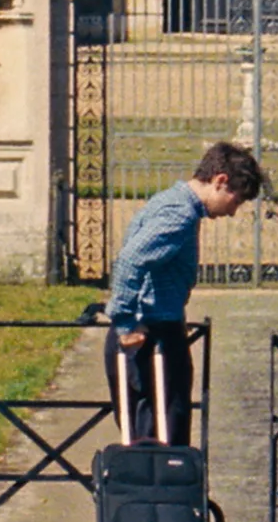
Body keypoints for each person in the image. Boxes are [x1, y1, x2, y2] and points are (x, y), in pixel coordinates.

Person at [104, 140, 264, 443]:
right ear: (220, 181)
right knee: (161, 443)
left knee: (155, 439)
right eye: (236, 200)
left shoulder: (171, 201)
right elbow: (129, 261)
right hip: (150, 336)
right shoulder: (178, 214)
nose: (232, 212)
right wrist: (125, 323)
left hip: (156, 327)